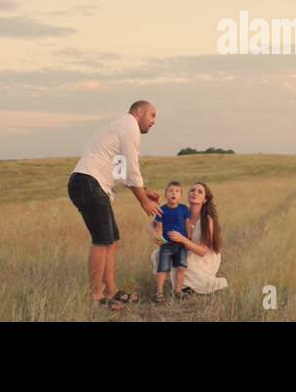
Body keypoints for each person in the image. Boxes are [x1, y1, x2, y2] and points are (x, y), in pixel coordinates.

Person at [68, 100, 163, 310]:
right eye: (152, 115)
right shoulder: (129, 127)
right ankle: (96, 297)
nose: (154, 122)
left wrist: (143, 191)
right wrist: (143, 201)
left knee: (112, 240)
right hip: (88, 183)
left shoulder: (121, 127)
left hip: (93, 185)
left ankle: (111, 291)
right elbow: (132, 168)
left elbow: (121, 174)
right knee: (102, 241)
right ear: (139, 112)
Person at [150, 181, 227, 295]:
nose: (195, 193)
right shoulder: (181, 211)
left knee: (183, 261)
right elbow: (152, 224)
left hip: (203, 258)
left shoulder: (207, 220)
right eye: (192, 190)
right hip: (183, 249)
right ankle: (181, 286)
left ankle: (188, 286)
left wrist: (182, 239)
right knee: (157, 254)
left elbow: (203, 252)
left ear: (205, 199)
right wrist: (155, 235)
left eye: (199, 192)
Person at [152, 181, 192, 301]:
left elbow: (188, 224)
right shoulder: (162, 210)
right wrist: (160, 239)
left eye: (177, 191)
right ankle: (159, 293)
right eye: (170, 191)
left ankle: (178, 291)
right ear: (166, 194)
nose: (173, 193)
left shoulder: (184, 209)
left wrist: (188, 238)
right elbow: (159, 227)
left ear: (180, 195)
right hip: (167, 244)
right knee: (163, 267)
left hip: (181, 245)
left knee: (182, 267)